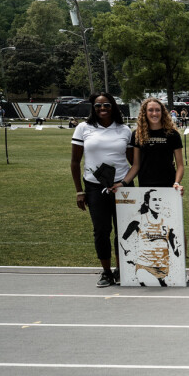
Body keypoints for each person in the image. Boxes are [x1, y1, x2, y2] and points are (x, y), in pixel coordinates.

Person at [71, 94, 133, 287]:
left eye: (106, 104)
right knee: (101, 231)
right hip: (95, 187)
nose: (102, 108)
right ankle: (106, 272)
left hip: (122, 187)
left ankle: (121, 269)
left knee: (123, 231)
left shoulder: (125, 130)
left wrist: (125, 182)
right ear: (93, 108)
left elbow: (133, 162)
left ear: (113, 106)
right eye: (97, 105)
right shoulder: (83, 128)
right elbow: (75, 162)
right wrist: (80, 191)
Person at [121, 98, 184, 195]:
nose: (154, 113)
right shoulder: (137, 134)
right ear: (144, 113)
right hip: (145, 185)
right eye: (150, 110)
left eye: (157, 110)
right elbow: (136, 165)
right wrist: (122, 184)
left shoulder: (173, 134)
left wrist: (176, 183)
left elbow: (180, 166)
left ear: (162, 112)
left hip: (169, 186)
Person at [119, 189, 181, 287]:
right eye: (154, 200)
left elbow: (175, 248)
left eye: (160, 200)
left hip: (164, 268)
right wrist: (128, 252)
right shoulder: (139, 219)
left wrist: (178, 249)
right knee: (156, 287)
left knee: (163, 290)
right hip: (144, 266)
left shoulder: (168, 221)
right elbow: (123, 239)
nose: (157, 203)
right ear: (147, 203)